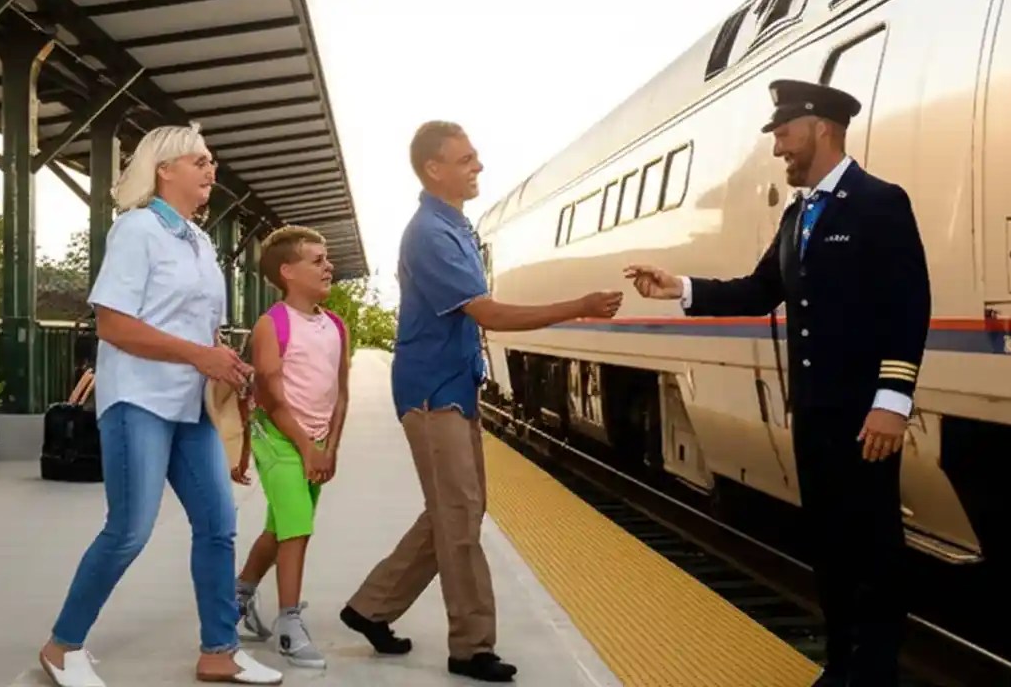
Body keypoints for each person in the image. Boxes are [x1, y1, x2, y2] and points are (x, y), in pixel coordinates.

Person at [624, 80, 931, 687]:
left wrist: (892, 402)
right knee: (831, 547)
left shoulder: (879, 202)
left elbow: (908, 305)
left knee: (872, 549)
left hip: (864, 414)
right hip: (813, 412)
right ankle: (842, 665)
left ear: (820, 127)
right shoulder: (798, 217)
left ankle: (873, 674)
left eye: (784, 134)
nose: (778, 150)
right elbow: (761, 290)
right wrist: (681, 287)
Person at [338, 120, 623, 683]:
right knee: (461, 515)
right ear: (433, 169)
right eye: (466, 159)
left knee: (455, 510)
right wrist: (580, 306)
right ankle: (471, 646)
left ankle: (371, 607)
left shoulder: (454, 227)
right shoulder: (430, 234)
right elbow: (488, 313)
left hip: (452, 386)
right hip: (431, 392)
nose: (478, 167)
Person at [38, 123, 284, 687]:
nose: (210, 170)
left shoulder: (200, 242)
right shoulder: (136, 230)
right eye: (199, 161)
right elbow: (113, 325)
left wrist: (222, 358)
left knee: (219, 527)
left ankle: (218, 652)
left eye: (212, 161)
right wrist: (201, 355)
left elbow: (195, 327)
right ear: (164, 169)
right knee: (130, 529)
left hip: (190, 405)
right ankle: (62, 645)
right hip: (139, 400)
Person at [228, 226, 349, 671]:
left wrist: (329, 447)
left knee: (280, 528)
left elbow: (343, 392)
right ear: (288, 271)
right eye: (317, 260)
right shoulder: (271, 325)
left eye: (326, 258)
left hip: (316, 439)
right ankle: (288, 624)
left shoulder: (336, 326)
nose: (328, 266)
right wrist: (306, 448)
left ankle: (236, 599)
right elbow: (274, 400)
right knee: (298, 527)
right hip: (277, 438)